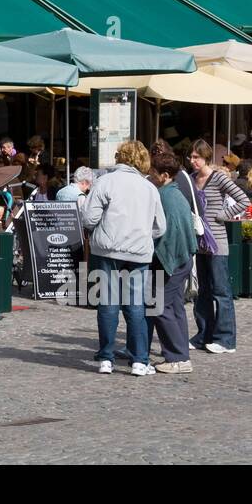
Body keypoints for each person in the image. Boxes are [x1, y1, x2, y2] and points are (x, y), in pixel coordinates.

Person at [81, 140, 165, 377]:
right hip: (138, 252)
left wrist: (100, 233)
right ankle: (139, 360)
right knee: (136, 305)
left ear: (120, 157)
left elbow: (89, 218)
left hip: (108, 249)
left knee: (108, 303)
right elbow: (161, 226)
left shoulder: (105, 182)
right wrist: (144, 238)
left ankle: (106, 357)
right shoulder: (149, 187)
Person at [188, 139, 246, 355]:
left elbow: (242, 199)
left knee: (221, 291)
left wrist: (221, 216)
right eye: (191, 157)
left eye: (196, 157)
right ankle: (204, 334)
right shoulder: (192, 180)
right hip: (199, 241)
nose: (192, 161)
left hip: (217, 242)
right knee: (202, 292)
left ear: (206, 158)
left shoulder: (218, 177)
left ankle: (226, 339)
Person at [147, 149, 198, 374]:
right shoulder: (174, 193)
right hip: (182, 258)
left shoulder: (166, 196)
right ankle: (180, 355)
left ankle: (178, 358)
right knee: (174, 306)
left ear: (165, 175)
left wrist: (161, 258)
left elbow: (169, 233)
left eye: (153, 173)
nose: (150, 176)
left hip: (172, 260)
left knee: (159, 306)